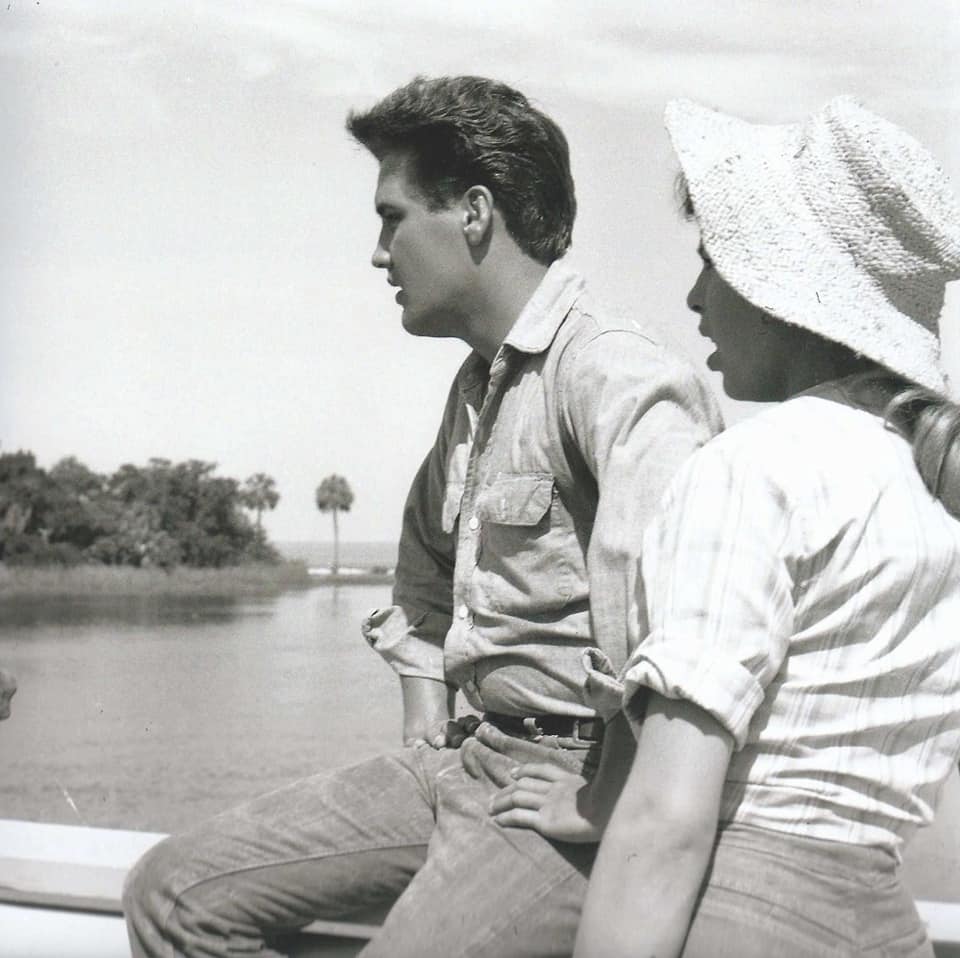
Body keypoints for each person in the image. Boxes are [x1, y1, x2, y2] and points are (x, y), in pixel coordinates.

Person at [122, 75, 721, 957]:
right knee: (173, 893)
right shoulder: (480, 383)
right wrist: (426, 704)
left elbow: (685, 628)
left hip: (570, 781)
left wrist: (610, 796)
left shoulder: (616, 377)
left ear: (473, 213)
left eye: (392, 217)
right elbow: (424, 566)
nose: (378, 251)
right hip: (465, 759)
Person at [489, 96, 960, 957]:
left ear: (784, 294)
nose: (695, 296)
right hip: (884, 924)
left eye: (714, 262)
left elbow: (668, 819)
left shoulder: (753, 468)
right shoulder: (930, 486)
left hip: (747, 920)